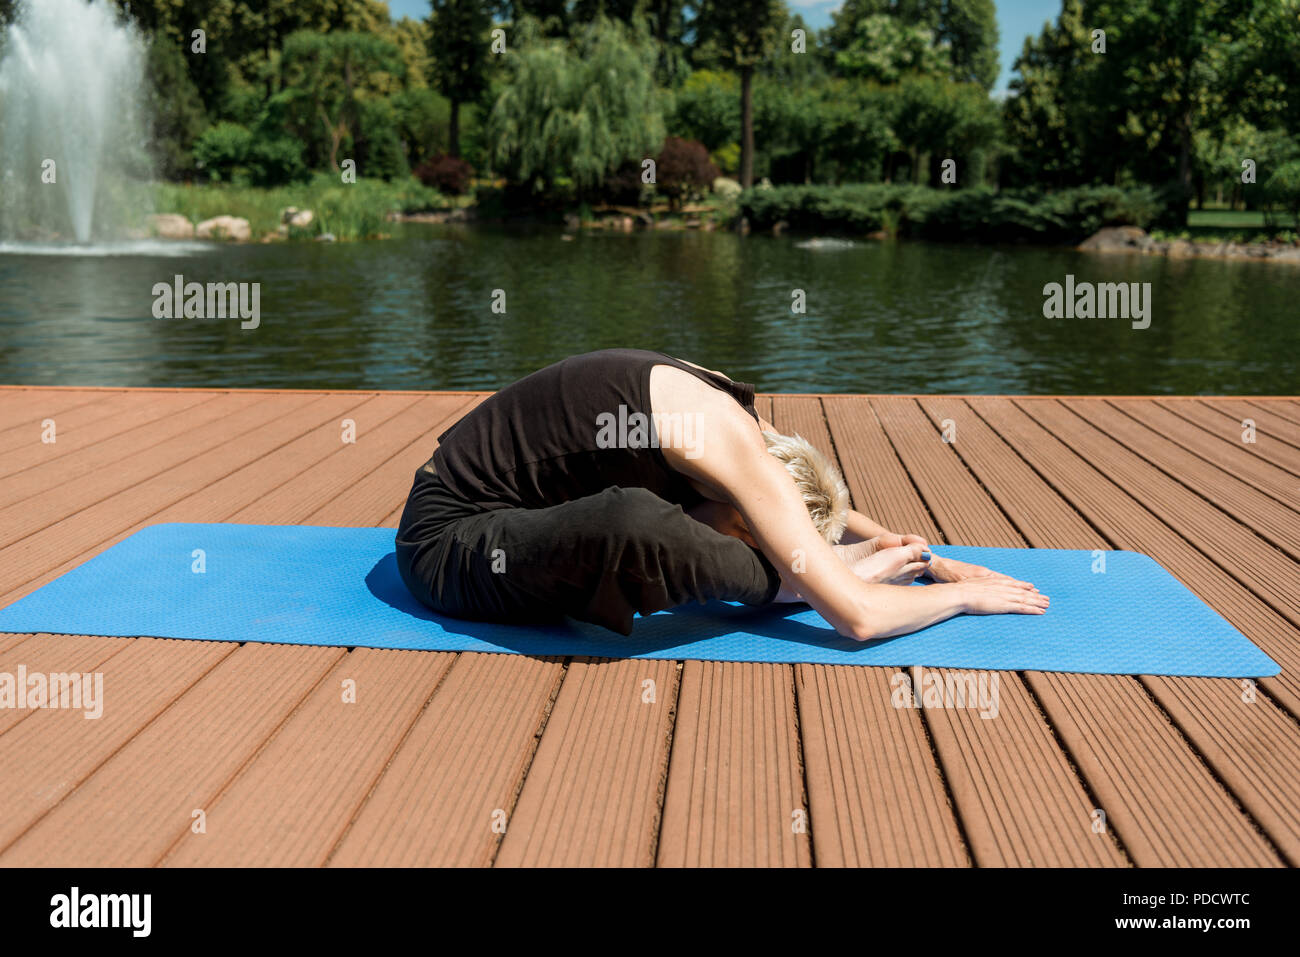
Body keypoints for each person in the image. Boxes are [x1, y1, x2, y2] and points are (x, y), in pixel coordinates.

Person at [395, 348, 1048, 638]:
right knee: (637, 522)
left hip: (510, 511)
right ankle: (810, 577)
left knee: (659, 517)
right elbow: (859, 618)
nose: (726, 537)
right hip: (448, 544)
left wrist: (923, 556)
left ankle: (819, 571)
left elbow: (817, 496)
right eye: (745, 533)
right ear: (748, 504)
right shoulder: (734, 453)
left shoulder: (744, 429)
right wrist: (962, 598)